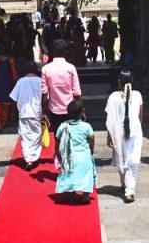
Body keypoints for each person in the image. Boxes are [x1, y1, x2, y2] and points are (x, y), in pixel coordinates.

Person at [105, 69, 143, 203]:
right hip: (134, 132)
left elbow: (109, 119)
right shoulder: (137, 95)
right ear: (132, 81)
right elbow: (140, 117)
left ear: (119, 81)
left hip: (118, 132)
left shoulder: (113, 97)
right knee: (132, 160)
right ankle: (129, 189)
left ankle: (126, 187)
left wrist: (109, 136)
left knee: (121, 157)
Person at [41, 40, 81, 163]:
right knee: (71, 136)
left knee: (57, 136)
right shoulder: (71, 68)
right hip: (71, 110)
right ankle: (69, 160)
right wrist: (81, 110)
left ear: (53, 52)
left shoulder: (46, 69)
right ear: (65, 52)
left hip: (54, 109)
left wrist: (45, 112)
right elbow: (77, 93)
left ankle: (58, 159)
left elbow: (44, 94)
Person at [55, 99, 96, 203]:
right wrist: (91, 151)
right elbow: (91, 140)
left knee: (69, 175)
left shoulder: (62, 126)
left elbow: (57, 141)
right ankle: (86, 195)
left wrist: (57, 153)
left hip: (69, 157)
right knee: (87, 174)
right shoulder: (86, 126)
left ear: (68, 113)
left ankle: (70, 194)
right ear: (81, 113)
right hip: (83, 156)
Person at [9, 60, 43, 169]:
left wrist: (13, 112)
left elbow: (14, 98)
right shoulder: (40, 81)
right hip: (37, 112)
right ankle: (33, 157)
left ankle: (28, 158)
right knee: (36, 135)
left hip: (23, 112)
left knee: (25, 136)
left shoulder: (21, 81)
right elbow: (45, 98)